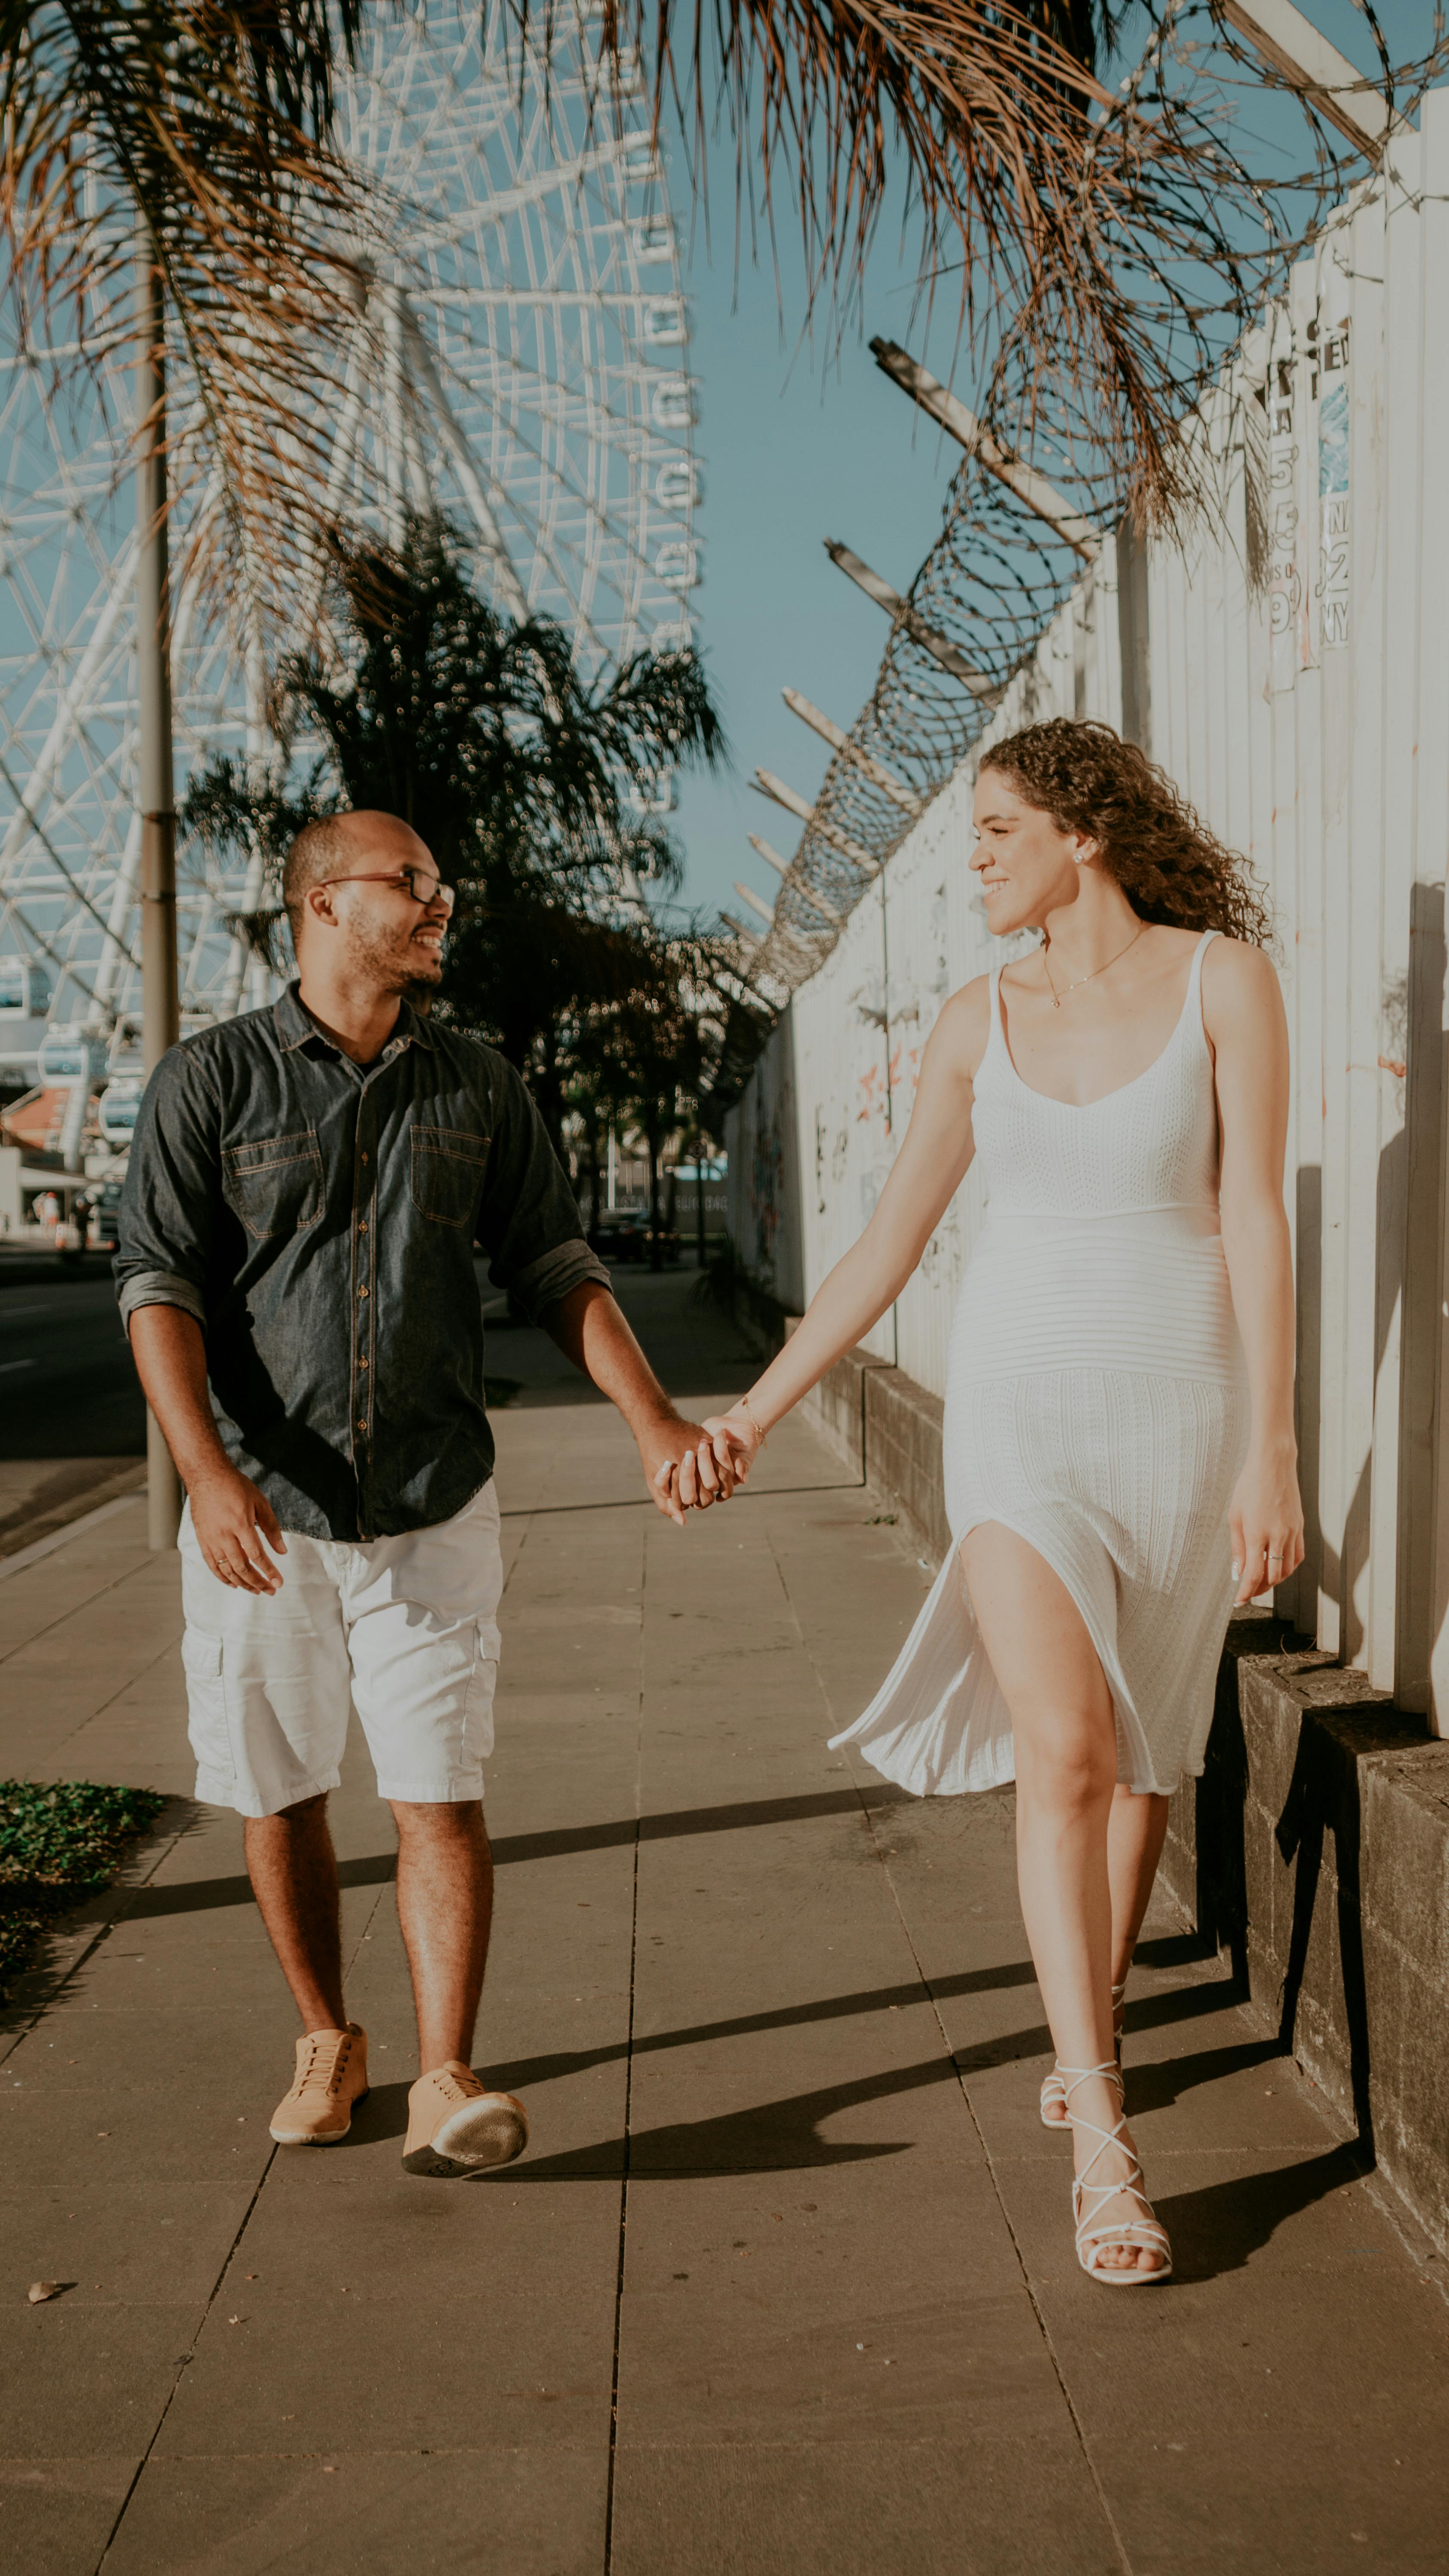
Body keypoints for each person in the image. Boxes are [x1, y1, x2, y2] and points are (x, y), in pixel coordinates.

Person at [667, 720, 1304, 2284]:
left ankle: (1084, 2020)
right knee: (1067, 1751)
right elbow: (888, 1246)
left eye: (999, 831)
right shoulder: (974, 1022)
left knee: (1149, 1754)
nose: (977, 862)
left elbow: (1251, 1213)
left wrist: (1275, 1448)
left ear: (1084, 832)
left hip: (1183, 1421)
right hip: (1022, 1423)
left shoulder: (1223, 982)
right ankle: (1103, 2137)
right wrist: (748, 1414)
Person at [117, 809, 734, 2177]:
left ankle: (447, 2070)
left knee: (436, 1789)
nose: (442, 903)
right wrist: (208, 1475)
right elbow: (157, 1287)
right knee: (276, 1791)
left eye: (442, 884)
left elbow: (557, 1265)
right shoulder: (210, 1084)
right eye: (415, 883)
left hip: (435, 1495)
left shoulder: (478, 1088)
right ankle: (328, 2037)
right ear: (326, 904)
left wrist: (652, 1422)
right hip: (261, 1507)